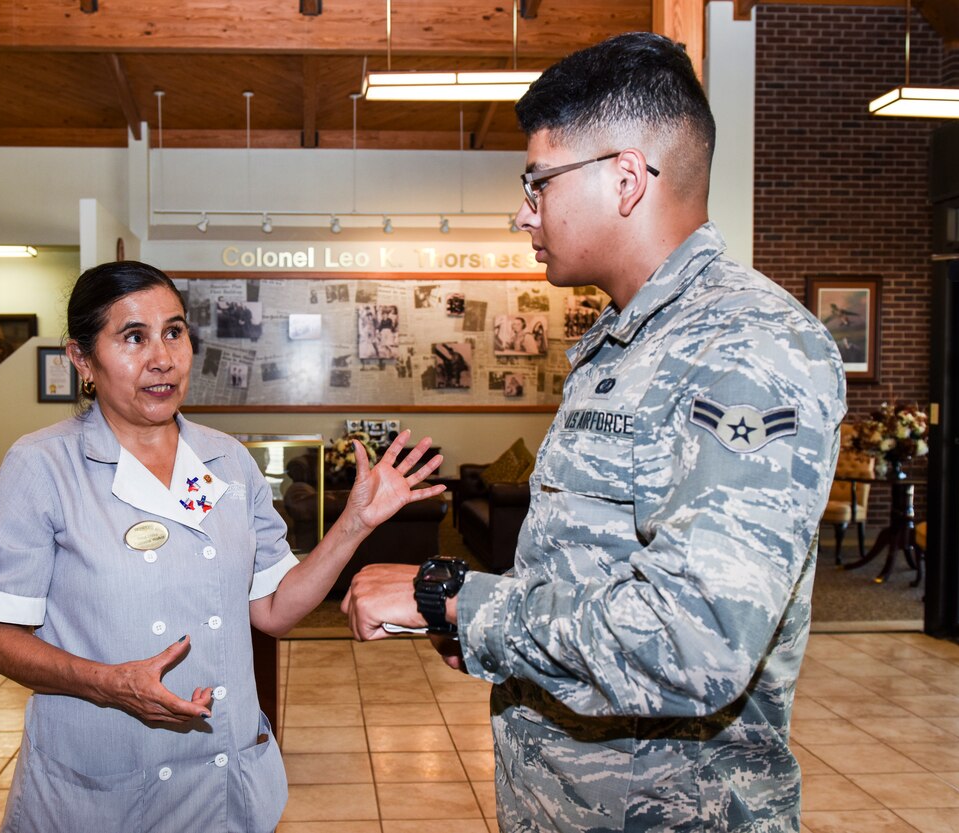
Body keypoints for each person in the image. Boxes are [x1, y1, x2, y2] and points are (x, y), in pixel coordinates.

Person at [343, 32, 846, 833]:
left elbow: (698, 638)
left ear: (624, 179)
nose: (522, 211)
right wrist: (492, 638)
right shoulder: (622, 339)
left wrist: (456, 602)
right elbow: (594, 563)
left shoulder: (750, 347)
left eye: (538, 182)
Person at [0, 260, 444, 833]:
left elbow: (274, 610)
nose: (162, 358)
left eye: (174, 331)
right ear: (82, 360)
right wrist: (108, 683)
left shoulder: (225, 460)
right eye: (133, 337)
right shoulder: (43, 467)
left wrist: (355, 523)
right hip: (102, 788)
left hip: (223, 781)